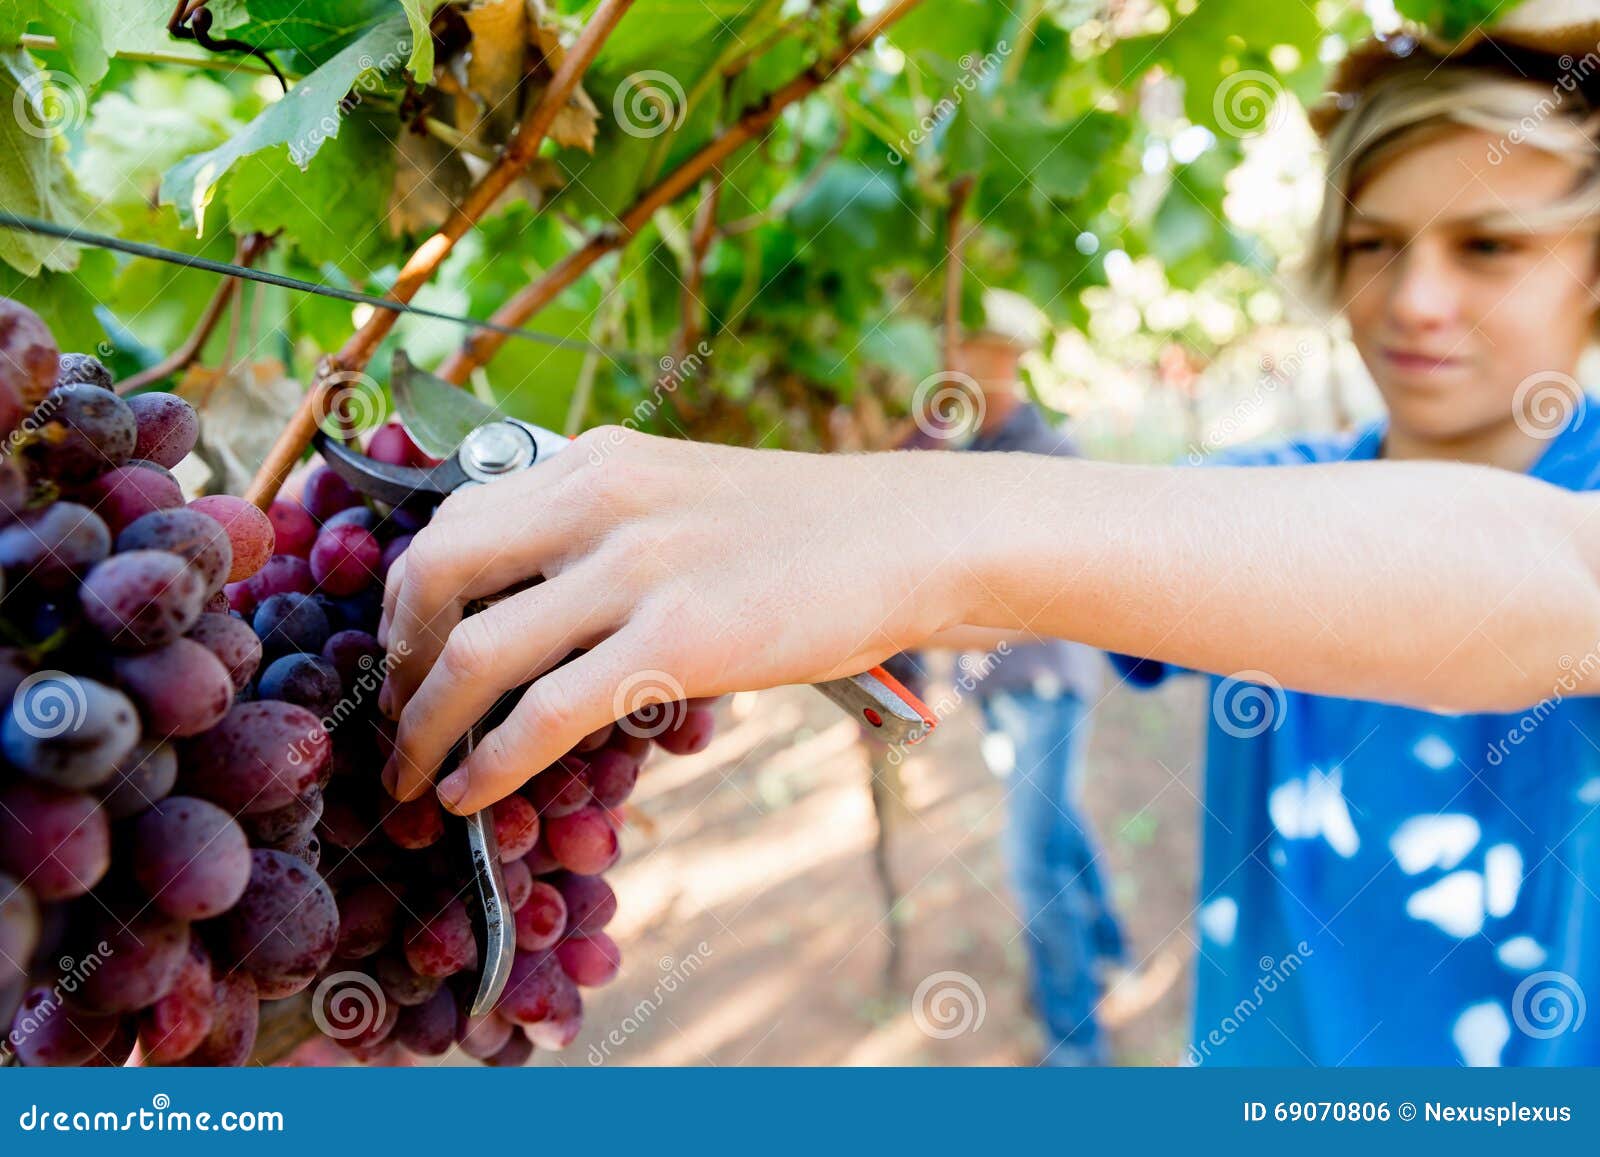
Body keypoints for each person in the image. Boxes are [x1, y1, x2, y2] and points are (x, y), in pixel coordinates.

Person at [378, 32, 1600, 1065]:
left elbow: (1554, 579)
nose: (1414, 298)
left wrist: (924, 523)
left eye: (1488, 245)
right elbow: (1057, 569)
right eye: (1377, 243)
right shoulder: (1287, 492)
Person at [932, 331, 1127, 1066]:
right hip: (1004, 690)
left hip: (1047, 683)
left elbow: (1057, 578)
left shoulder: (1047, 456)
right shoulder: (971, 458)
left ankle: (1078, 1048)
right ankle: (1108, 943)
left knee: (1030, 862)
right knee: (1057, 827)